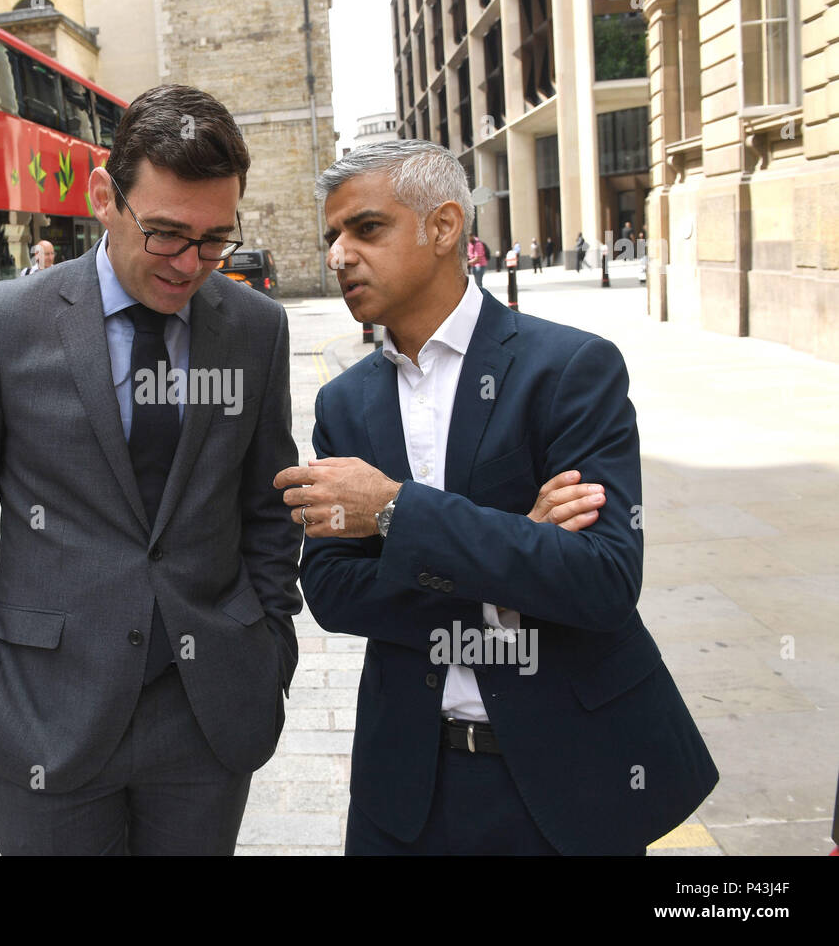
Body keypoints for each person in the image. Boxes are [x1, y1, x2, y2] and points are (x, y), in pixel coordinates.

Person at [274, 139, 717, 855]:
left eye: (366, 228)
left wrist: (396, 513)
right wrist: (519, 545)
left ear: (444, 226)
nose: (338, 255)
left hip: (570, 780)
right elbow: (332, 590)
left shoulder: (569, 369)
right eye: (332, 236)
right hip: (409, 786)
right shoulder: (345, 405)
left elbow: (601, 579)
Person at [0, 84, 302, 855]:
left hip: (206, 712)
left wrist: (269, 649)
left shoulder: (256, 329)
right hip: (40, 713)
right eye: (165, 233)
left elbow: (267, 507)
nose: (190, 263)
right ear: (103, 196)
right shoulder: (6, 321)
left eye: (214, 239)